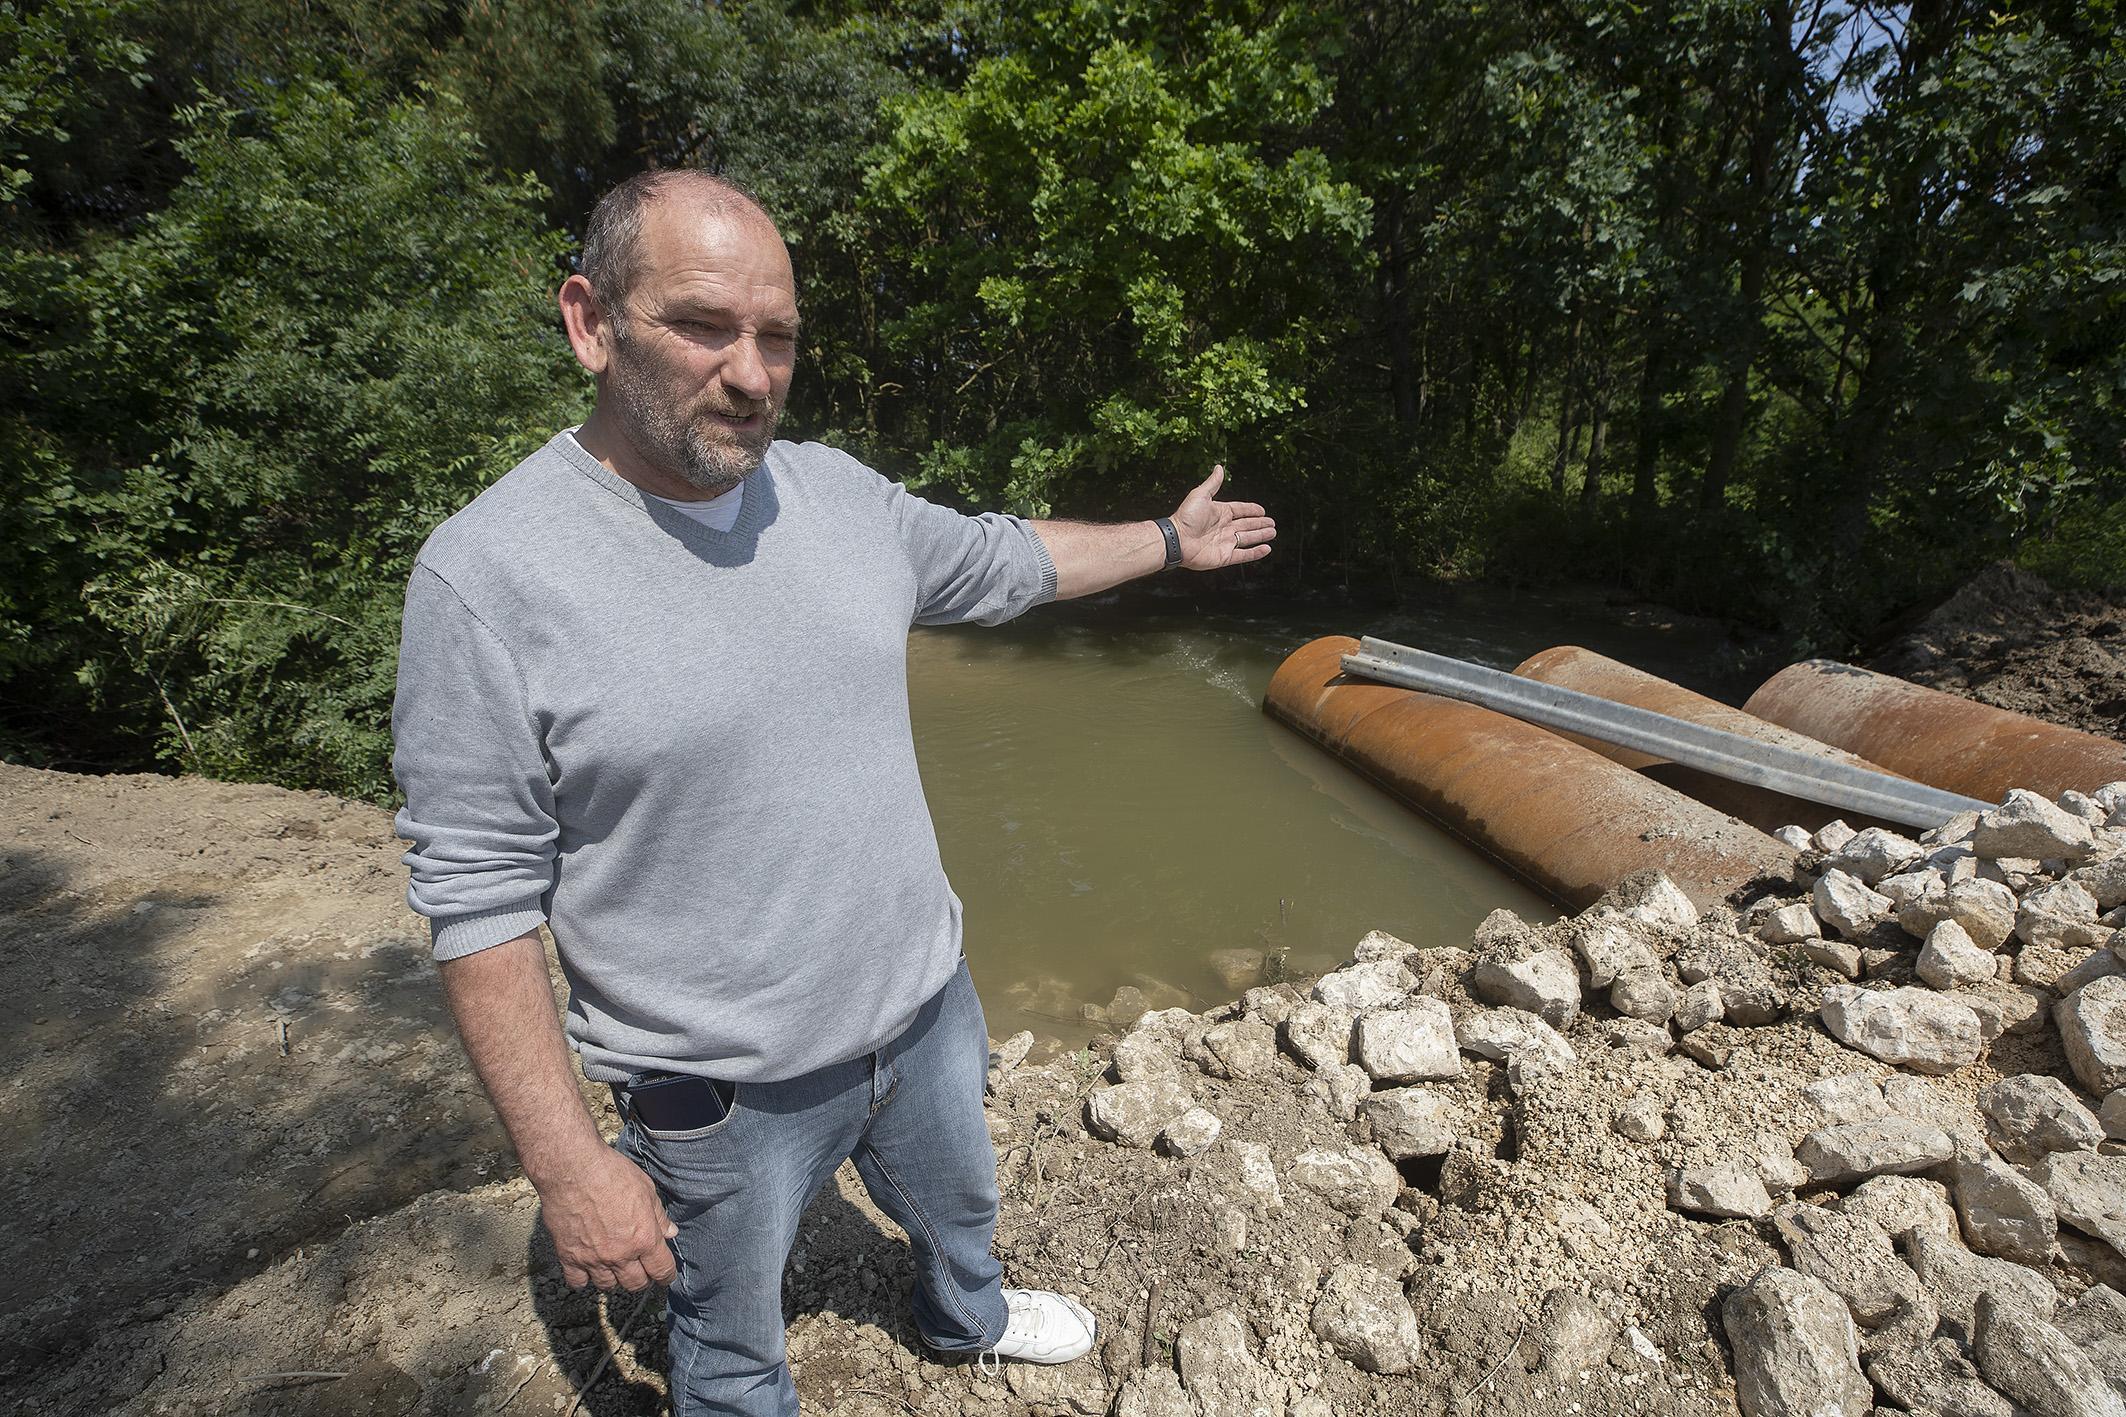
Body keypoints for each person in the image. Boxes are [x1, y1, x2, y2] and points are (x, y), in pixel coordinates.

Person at [390, 169, 1275, 1417]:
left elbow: (1003, 559)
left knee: (961, 1210)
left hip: (924, 1008)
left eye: (778, 336)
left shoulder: (837, 497)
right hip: (718, 1092)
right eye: (703, 325)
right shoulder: (487, 577)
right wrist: (569, 1166)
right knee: (727, 1337)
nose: (750, 374)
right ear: (590, 323)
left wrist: (1169, 542)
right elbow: (479, 900)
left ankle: (967, 1316)